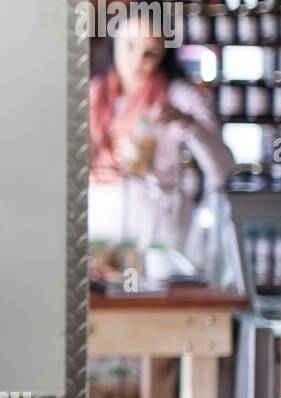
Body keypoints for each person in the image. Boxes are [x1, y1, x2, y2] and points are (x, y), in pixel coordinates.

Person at [89, 13, 236, 249]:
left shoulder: (179, 98)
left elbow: (223, 166)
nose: (138, 59)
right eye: (130, 45)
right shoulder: (91, 96)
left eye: (151, 51)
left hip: (158, 238)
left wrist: (189, 125)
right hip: (97, 233)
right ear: (114, 41)